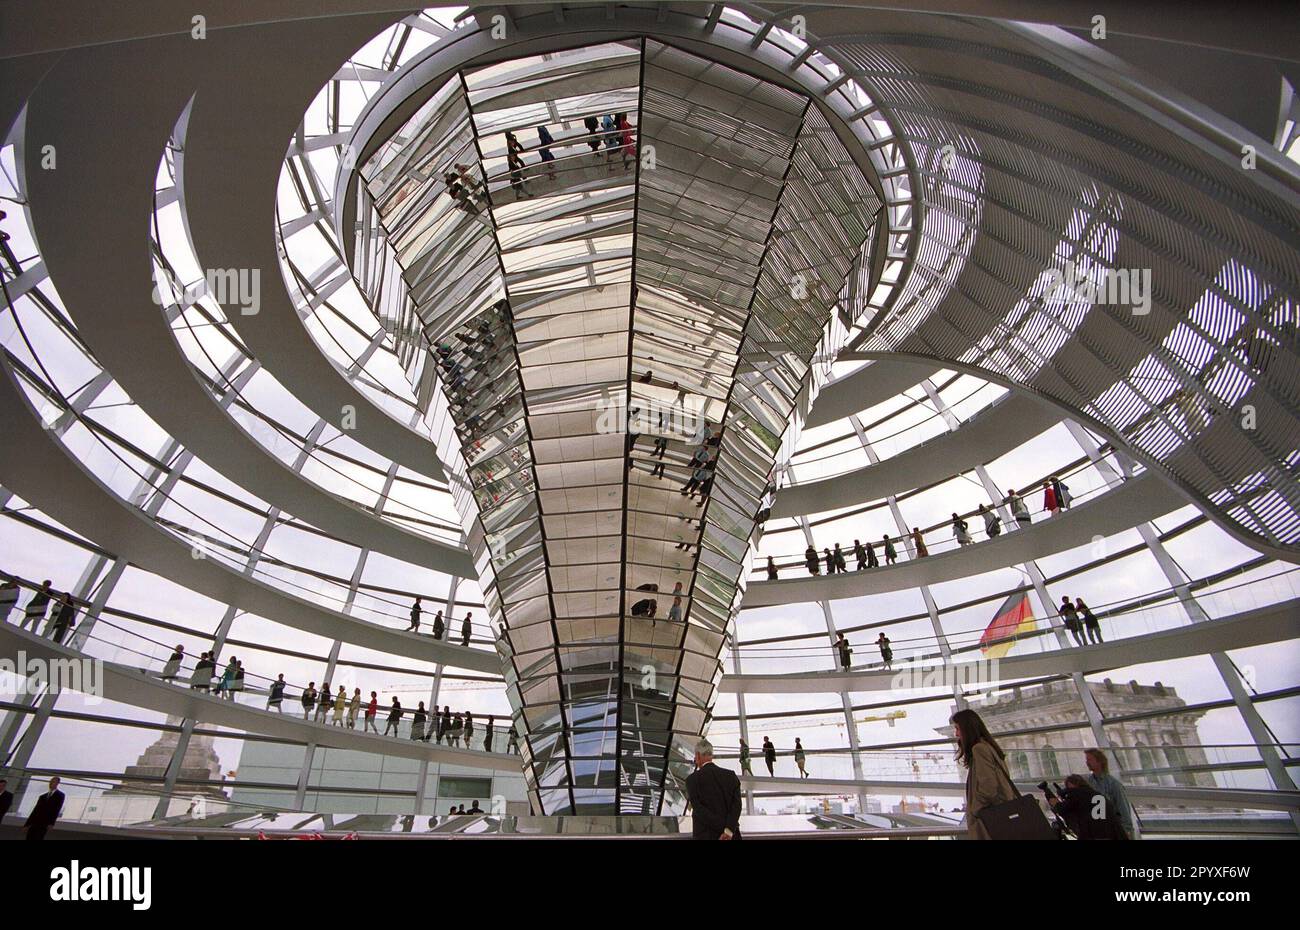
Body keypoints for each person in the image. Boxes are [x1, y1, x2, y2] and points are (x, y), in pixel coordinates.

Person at [950, 707, 1016, 840]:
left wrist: (975, 809)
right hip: (1001, 816)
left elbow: (988, 787)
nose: (956, 734)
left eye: (958, 728)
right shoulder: (989, 747)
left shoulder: (979, 749)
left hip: (990, 821)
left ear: (967, 729)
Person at [685, 738, 742, 840]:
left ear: (698, 755)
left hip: (705, 835)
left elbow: (699, 810)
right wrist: (728, 830)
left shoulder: (692, 780)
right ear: (711, 755)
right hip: (731, 836)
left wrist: (722, 828)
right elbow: (737, 805)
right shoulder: (731, 776)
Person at [1047, 774, 1128, 839]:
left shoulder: (1076, 794)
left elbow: (1062, 810)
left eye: (1069, 788)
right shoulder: (1095, 794)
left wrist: (1056, 803)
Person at [1084, 748, 1136, 838]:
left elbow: (1123, 809)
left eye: (1089, 759)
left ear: (1099, 761)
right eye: (1087, 760)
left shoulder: (1114, 785)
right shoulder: (1088, 783)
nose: (1087, 762)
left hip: (1113, 830)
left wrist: (1126, 831)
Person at [24, 775, 64, 840]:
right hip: (35, 821)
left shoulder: (60, 795)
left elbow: (56, 809)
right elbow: (35, 810)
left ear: (57, 783)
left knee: (39, 836)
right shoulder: (42, 796)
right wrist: (27, 824)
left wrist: (51, 823)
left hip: (45, 822)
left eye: (53, 782)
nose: (51, 783)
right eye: (51, 781)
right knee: (29, 836)